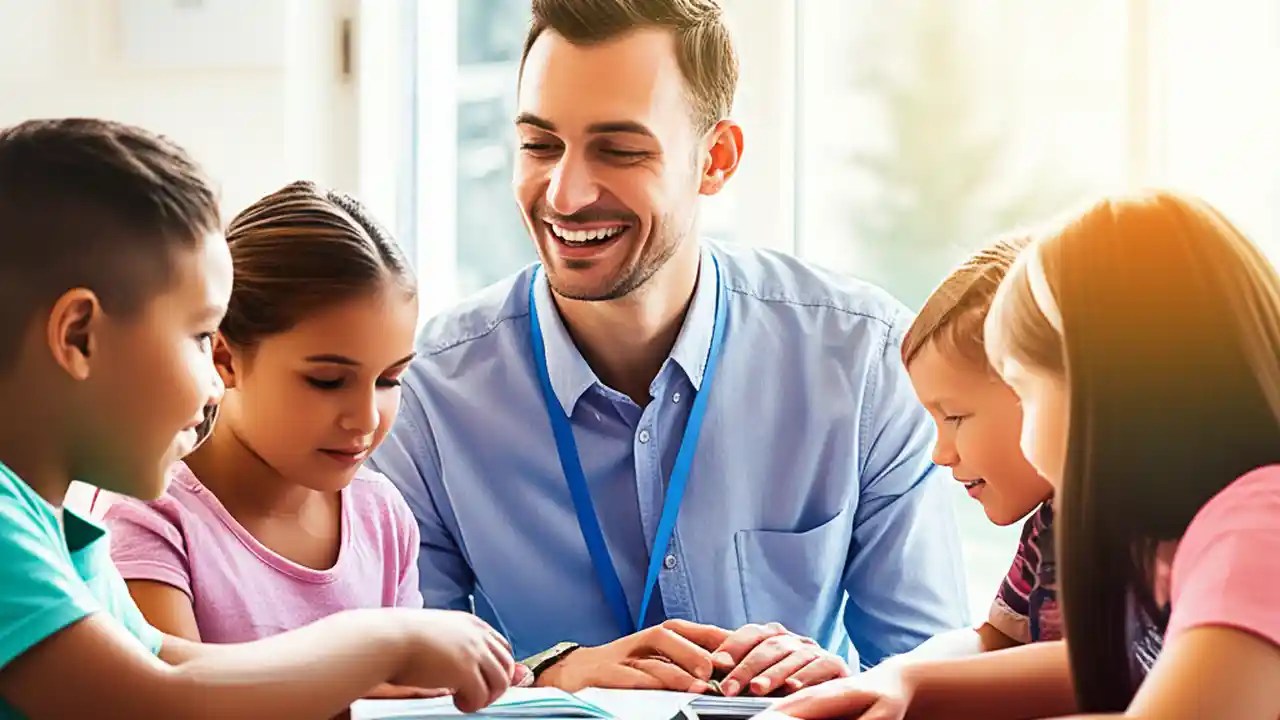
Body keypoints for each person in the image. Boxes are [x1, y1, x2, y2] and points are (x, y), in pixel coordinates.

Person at [370, 0, 968, 697]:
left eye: (619, 150)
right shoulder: (423, 395)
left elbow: (933, 668)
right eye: (539, 146)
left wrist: (852, 687)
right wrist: (548, 678)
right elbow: (396, 686)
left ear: (715, 160)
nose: (564, 194)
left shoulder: (865, 361)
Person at [0, 118, 516, 719]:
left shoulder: (53, 529)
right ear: (80, 336)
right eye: (198, 337)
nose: (211, 382)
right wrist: (384, 640)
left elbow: (175, 663)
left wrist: (399, 647)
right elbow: (155, 704)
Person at [774, 190, 1280, 720]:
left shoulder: (1253, 528)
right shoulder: (1177, 546)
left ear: (1104, 388)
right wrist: (907, 682)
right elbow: (1104, 674)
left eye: (1026, 388)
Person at [105, 182, 426, 645]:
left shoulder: (382, 516)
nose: (367, 420)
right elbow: (178, 702)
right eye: (328, 381)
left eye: (388, 380)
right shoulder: (150, 520)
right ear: (224, 359)